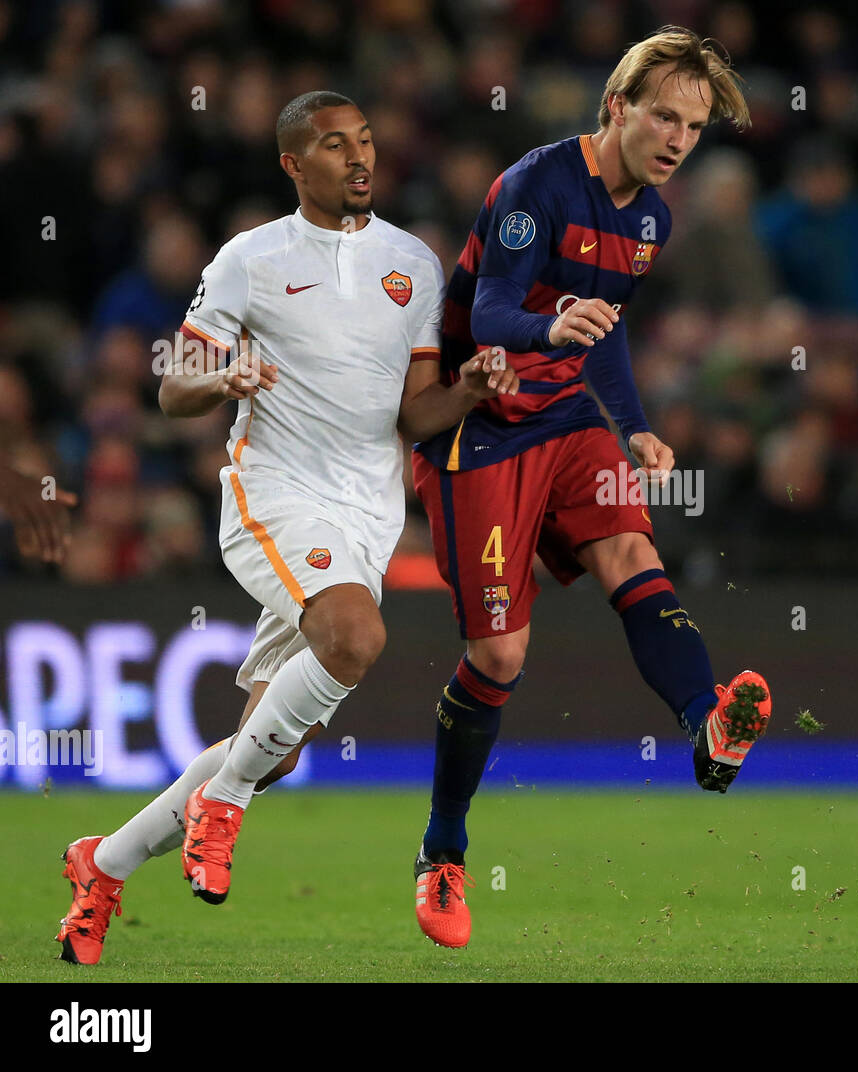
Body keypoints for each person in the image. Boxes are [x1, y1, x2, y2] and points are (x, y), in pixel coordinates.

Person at [55, 91, 518, 965]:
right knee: (354, 637)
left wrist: (472, 392)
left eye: (367, 142)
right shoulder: (250, 259)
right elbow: (172, 388)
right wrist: (221, 379)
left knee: (276, 748)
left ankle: (104, 864)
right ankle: (221, 806)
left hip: (367, 514)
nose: (358, 159)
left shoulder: (413, 265)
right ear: (292, 165)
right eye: (334, 146)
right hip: (272, 491)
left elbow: (416, 416)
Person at [406, 26, 771, 949]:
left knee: (632, 551)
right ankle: (443, 853)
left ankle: (707, 725)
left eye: (694, 125)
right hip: (478, 425)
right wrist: (552, 318)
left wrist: (634, 423)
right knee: (499, 659)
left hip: (566, 419)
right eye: (665, 116)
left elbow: (603, 332)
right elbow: (489, 311)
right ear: (617, 107)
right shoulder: (536, 184)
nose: (680, 139)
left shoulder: (651, 218)